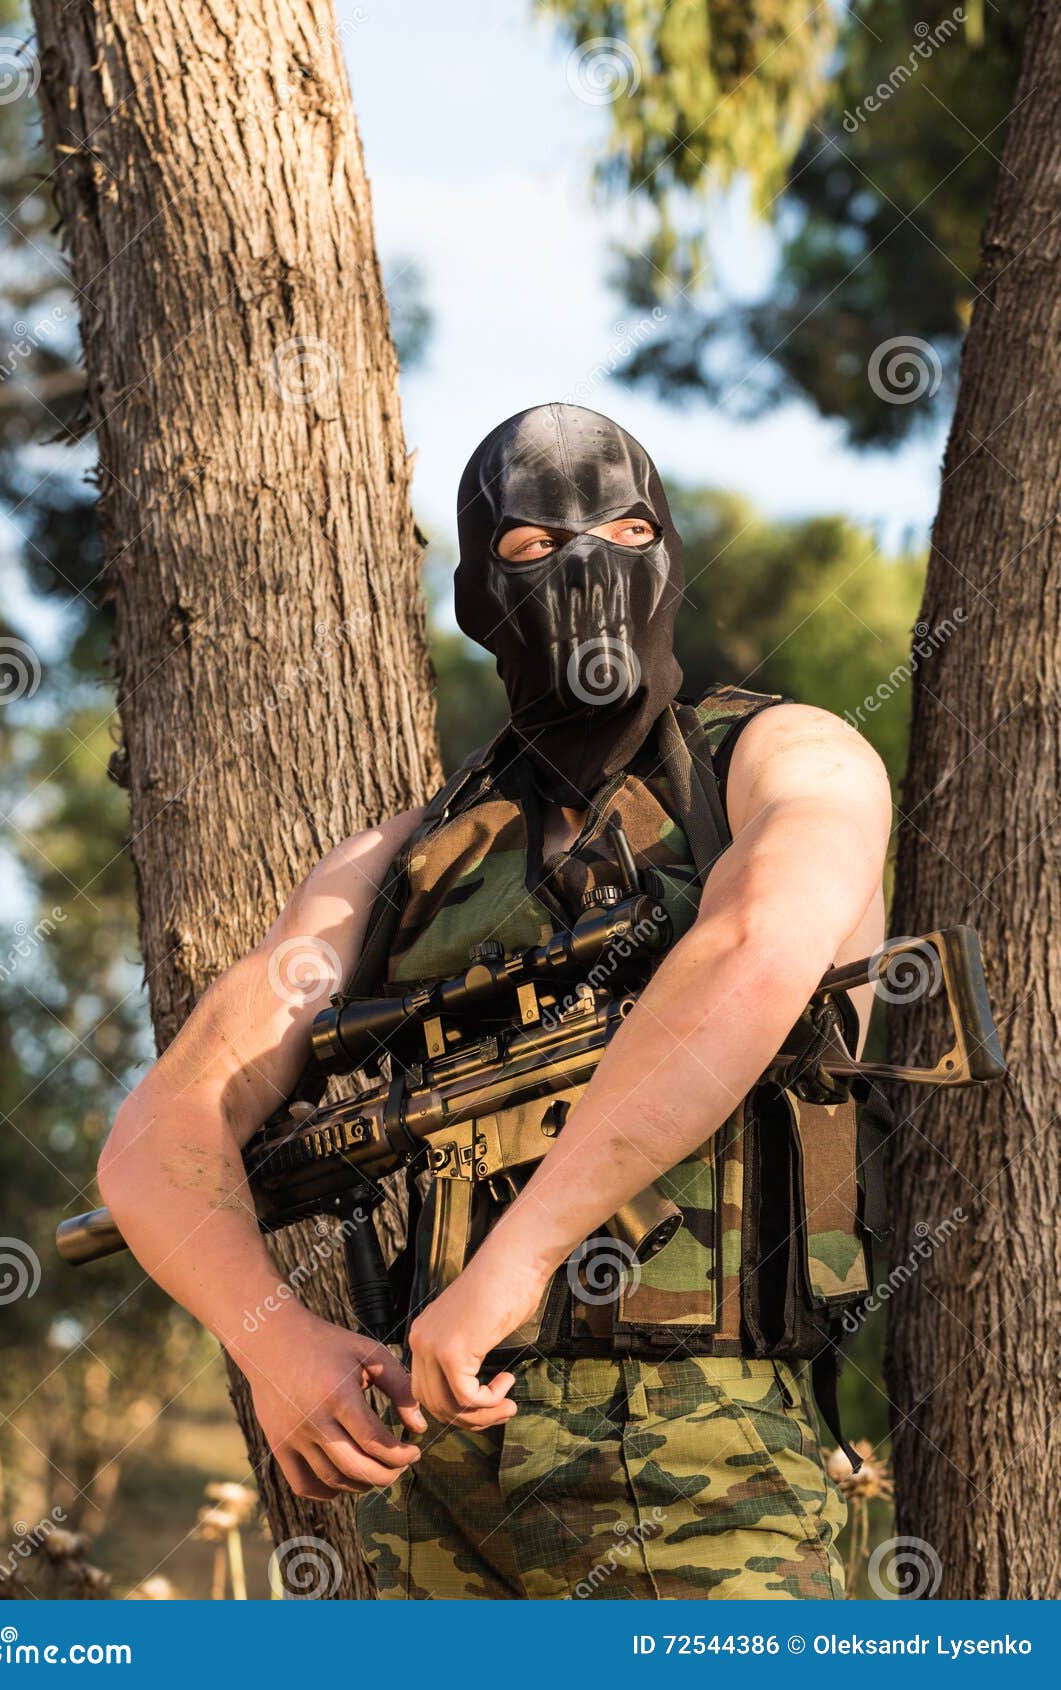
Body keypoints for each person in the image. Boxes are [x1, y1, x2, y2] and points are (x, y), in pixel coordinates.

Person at [97, 403, 891, 1599]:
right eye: (528, 550)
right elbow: (163, 1126)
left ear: (669, 558)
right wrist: (272, 1342)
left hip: (715, 1455)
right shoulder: (399, 863)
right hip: (436, 1474)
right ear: (477, 598)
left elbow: (753, 950)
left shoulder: (784, 760)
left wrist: (517, 1260)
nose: (583, 571)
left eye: (625, 529)